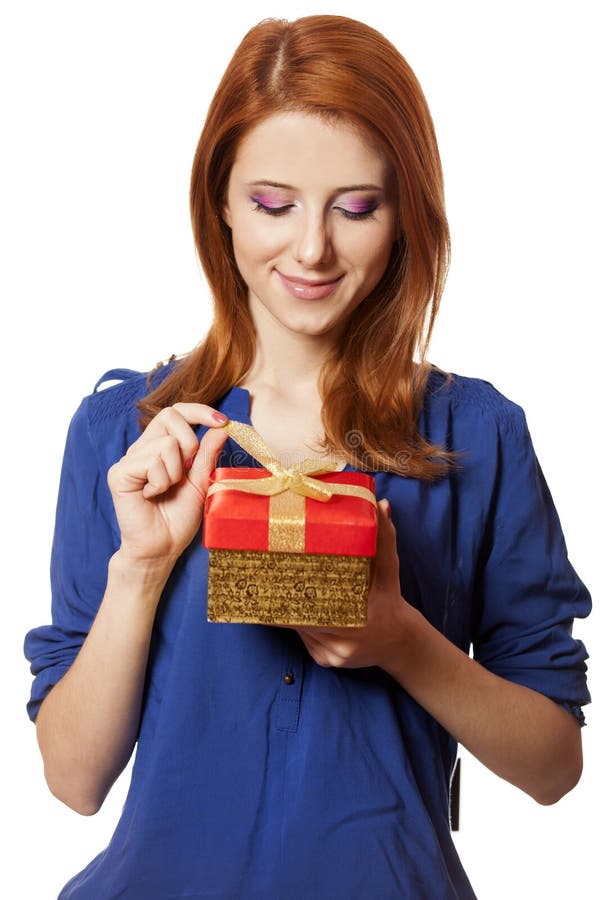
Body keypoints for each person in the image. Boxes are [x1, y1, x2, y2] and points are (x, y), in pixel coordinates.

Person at [24, 14, 591, 899]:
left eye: (356, 207)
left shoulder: (478, 438)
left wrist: (401, 641)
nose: (313, 249)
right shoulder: (124, 435)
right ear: (219, 200)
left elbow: (554, 768)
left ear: (406, 213)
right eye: (273, 204)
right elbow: (72, 780)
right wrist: (142, 566)